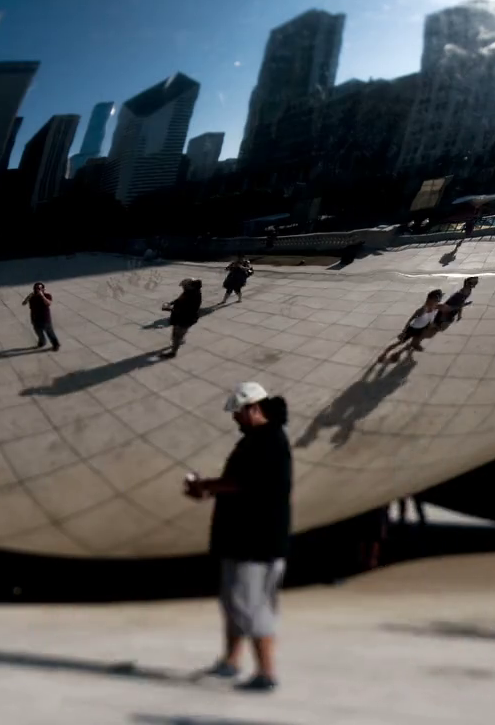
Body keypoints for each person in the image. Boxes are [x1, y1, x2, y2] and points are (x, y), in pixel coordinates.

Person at [185, 382, 292, 693]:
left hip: (255, 541)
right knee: (235, 602)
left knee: (253, 606)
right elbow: (238, 482)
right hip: (243, 539)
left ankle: (266, 672)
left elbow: (247, 483)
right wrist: (208, 488)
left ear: (253, 409)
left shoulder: (268, 441)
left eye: (237, 412)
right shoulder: (258, 439)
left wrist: (206, 486)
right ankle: (231, 661)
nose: (235, 418)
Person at [380, 290, 444, 361]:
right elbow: (410, 320)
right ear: (429, 300)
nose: (436, 302)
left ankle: (410, 347)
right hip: (412, 329)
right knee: (399, 342)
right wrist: (404, 332)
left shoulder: (435, 308)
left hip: (421, 329)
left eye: (437, 301)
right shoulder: (422, 310)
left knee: (415, 341)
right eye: (435, 300)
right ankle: (384, 354)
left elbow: (430, 319)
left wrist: (433, 327)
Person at [161, 278, 202, 358]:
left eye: (184, 286)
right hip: (182, 318)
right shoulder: (190, 291)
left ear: (188, 286)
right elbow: (179, 300)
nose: (183, 288)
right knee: (177, 333)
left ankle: (173, 352)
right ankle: (180, 340)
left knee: (176, 336)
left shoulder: (193, 296)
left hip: (185, 319)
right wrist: (170, 303)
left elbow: (184, 310)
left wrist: (168, 309)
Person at [23, 282, 60, 351]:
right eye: (36, 288)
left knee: (49, 332)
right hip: (35, 318)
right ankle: (42, 342)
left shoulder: (47, 295)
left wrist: (42, 296)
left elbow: (48, 303)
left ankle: (56, 344)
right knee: (38, 332)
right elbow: (24, 303)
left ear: (43, 289)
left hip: (45, 318)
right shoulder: (32, 297)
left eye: (39, 288)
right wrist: (28, 298)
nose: (38, 290)